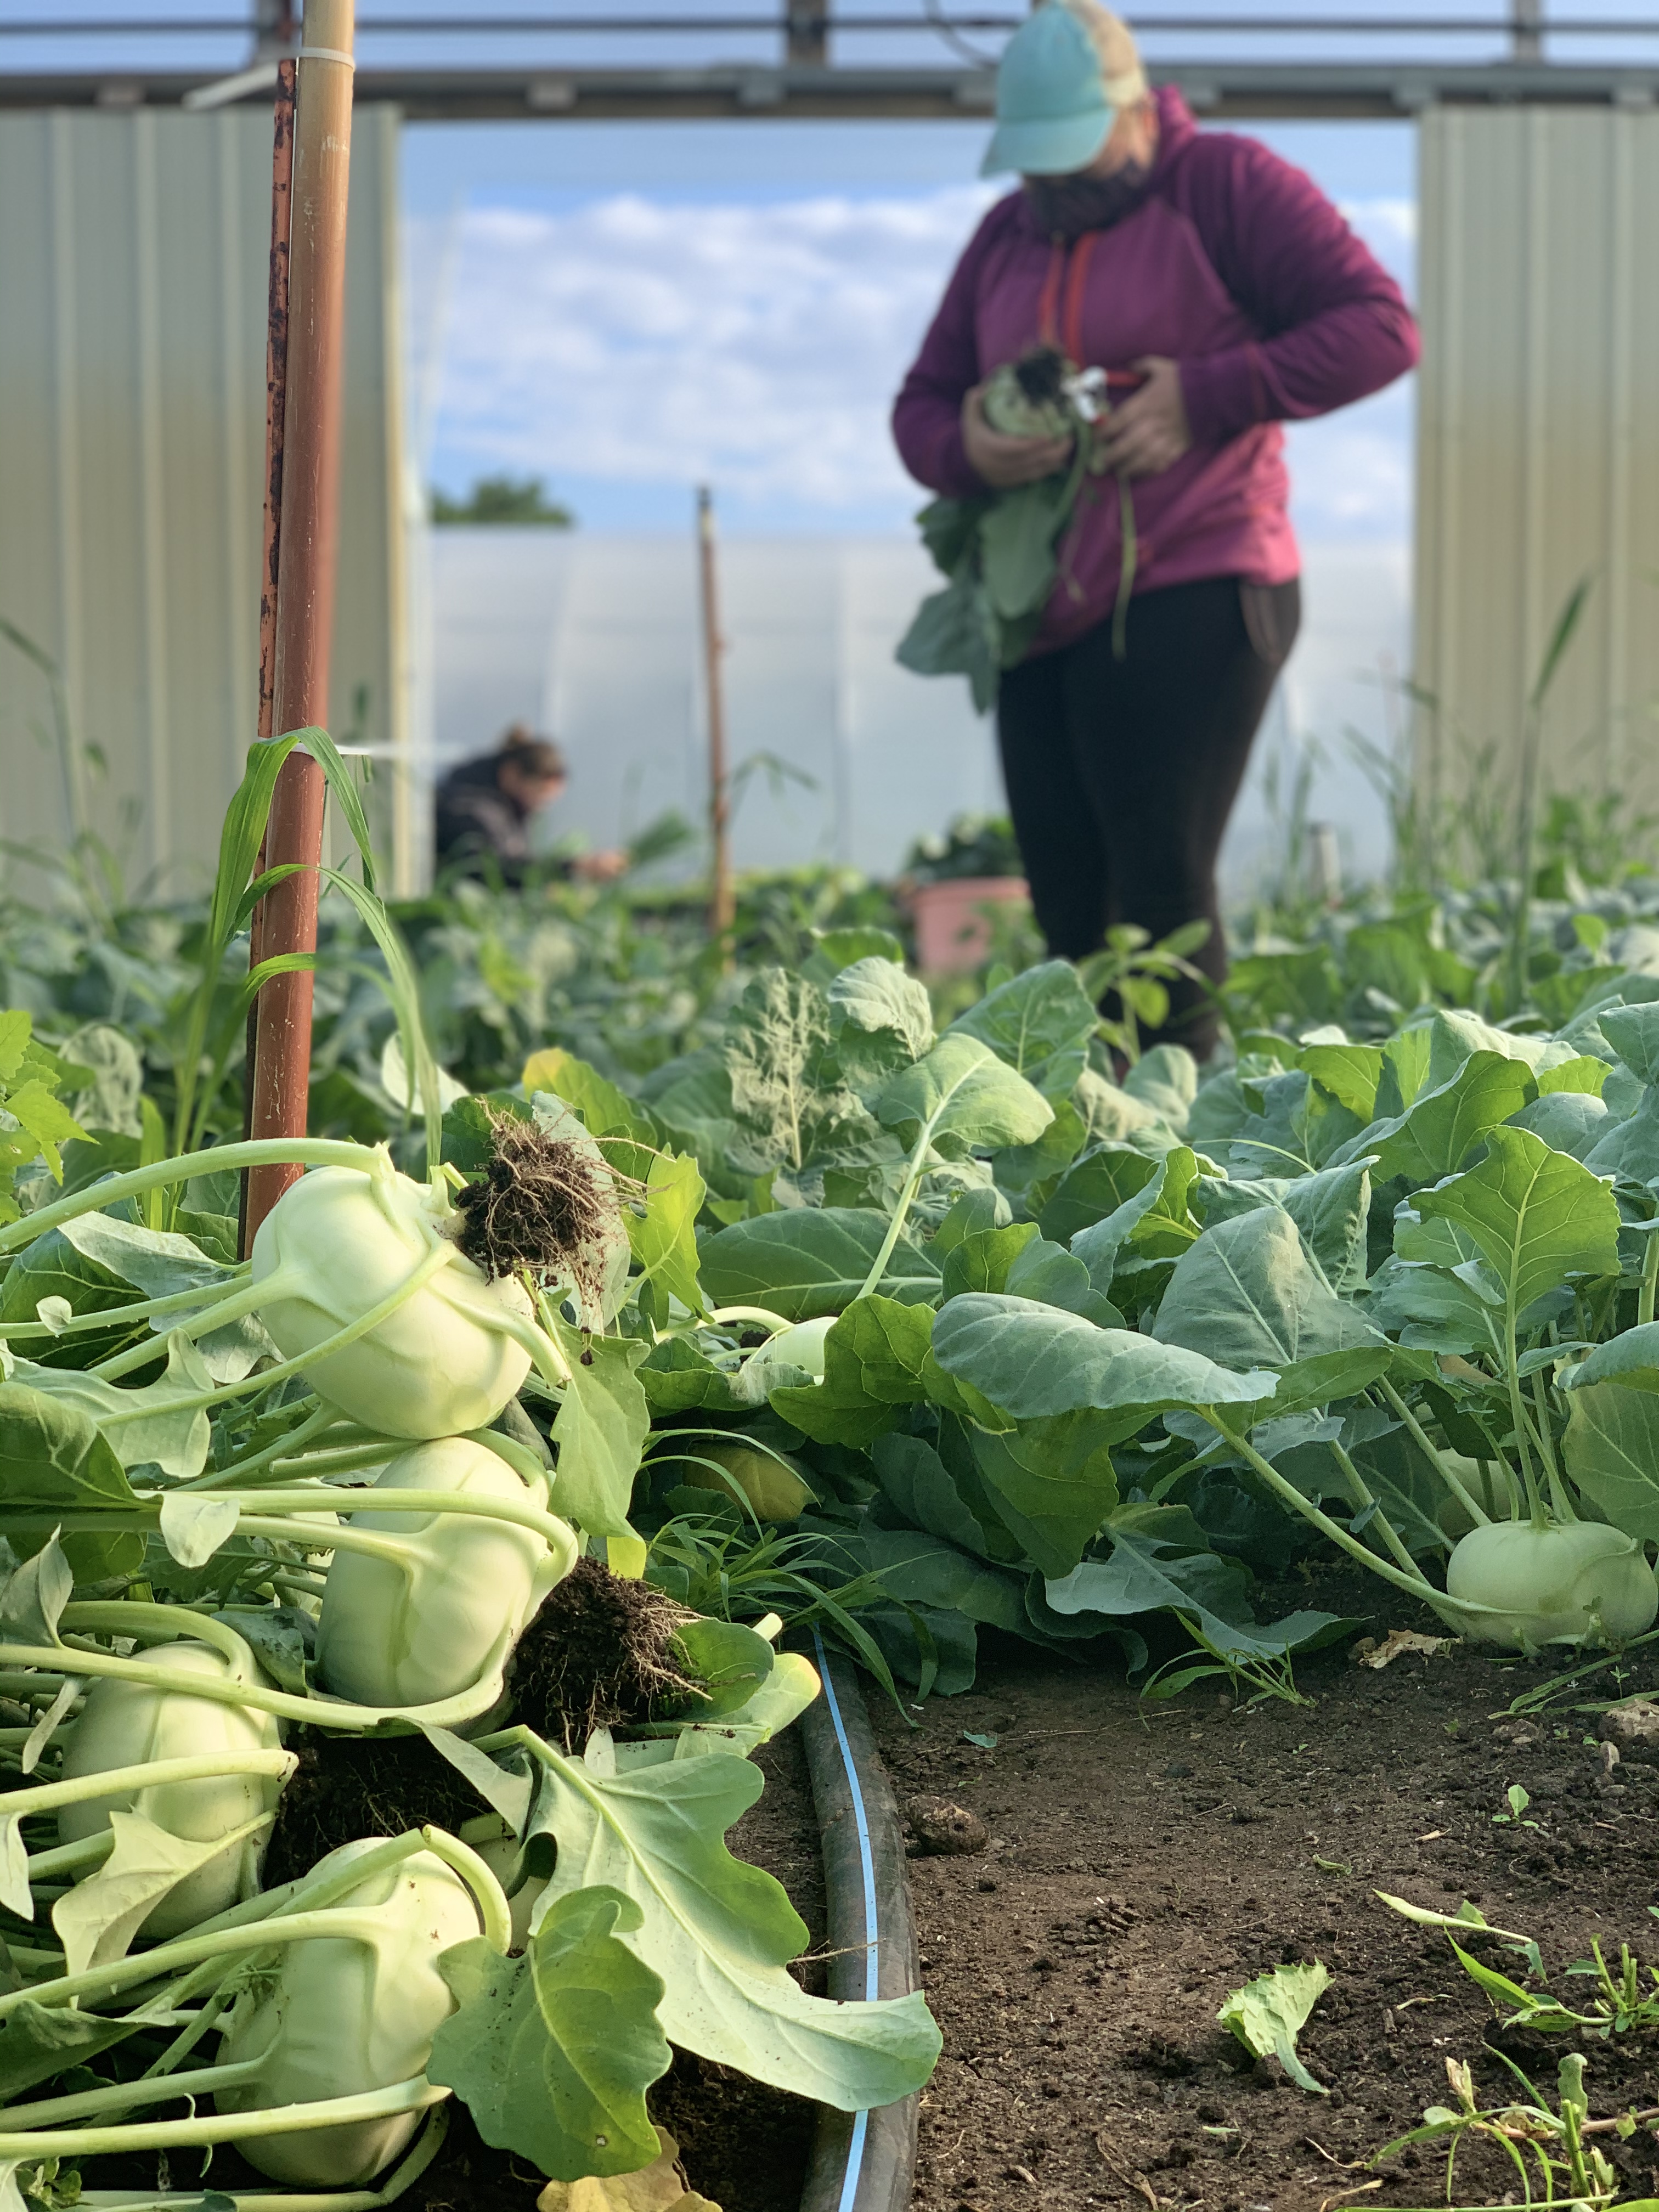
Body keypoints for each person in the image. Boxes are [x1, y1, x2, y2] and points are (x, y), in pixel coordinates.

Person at [892, 0, 1419, 1057]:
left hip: (1198, 572)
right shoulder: (1006, 236)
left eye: (1074, 161)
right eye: (1037, 170)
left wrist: (1206, 393)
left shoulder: (1221, 185)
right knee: (1067, 904)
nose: (1056, 190)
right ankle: (1101, 1148)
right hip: (1041, 607)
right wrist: (971, 447)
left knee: (1156, 888)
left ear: (1137, 114)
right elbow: (919, 405)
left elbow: (1376, 328)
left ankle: (1190, 1148)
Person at [432, 725, 626, 885]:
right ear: (512, 774)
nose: (542, 807)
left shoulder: (501, 800)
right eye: (539, 796)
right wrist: (575, 866)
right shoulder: (472, 809)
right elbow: (498, 870)